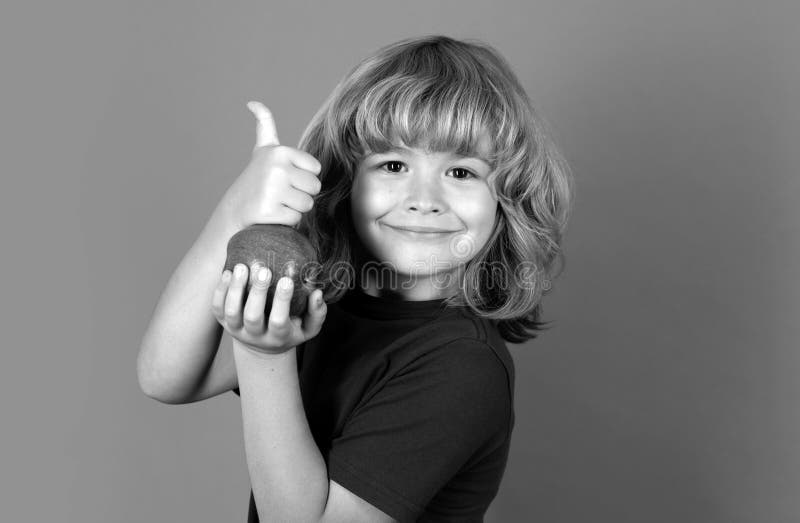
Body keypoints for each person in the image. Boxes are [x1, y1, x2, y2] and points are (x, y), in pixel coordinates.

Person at [137, 35, 573, 522]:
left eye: (462, 172)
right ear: (346, 181)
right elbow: (166, 377)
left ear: (507, 200)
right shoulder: (325, 297)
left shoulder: (461, 366)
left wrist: (264, 355)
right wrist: (236, 214)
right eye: (393, 164)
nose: (423, 198)